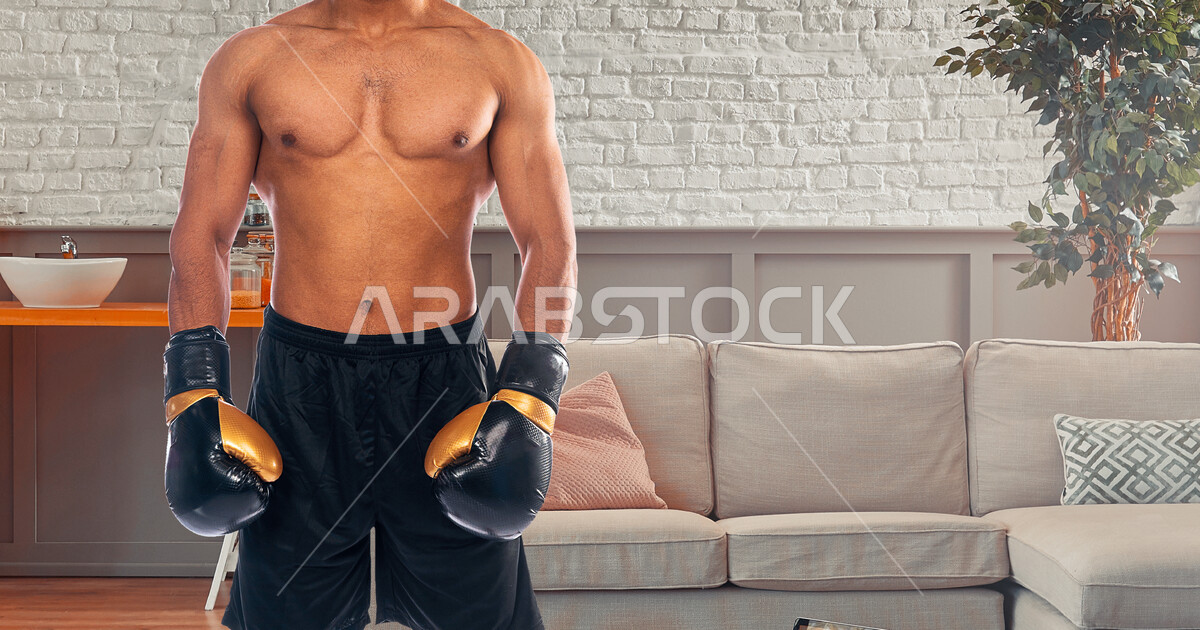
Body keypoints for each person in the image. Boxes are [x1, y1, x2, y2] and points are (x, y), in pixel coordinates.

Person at [160, 0, 577, 628]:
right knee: (283, 614)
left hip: (443, 375)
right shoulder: (254, 59)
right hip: (303, 381)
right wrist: (192, 392)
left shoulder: (497, 61)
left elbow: (549, 240)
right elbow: (203, 234)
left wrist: (530, 393)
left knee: (482, 613)